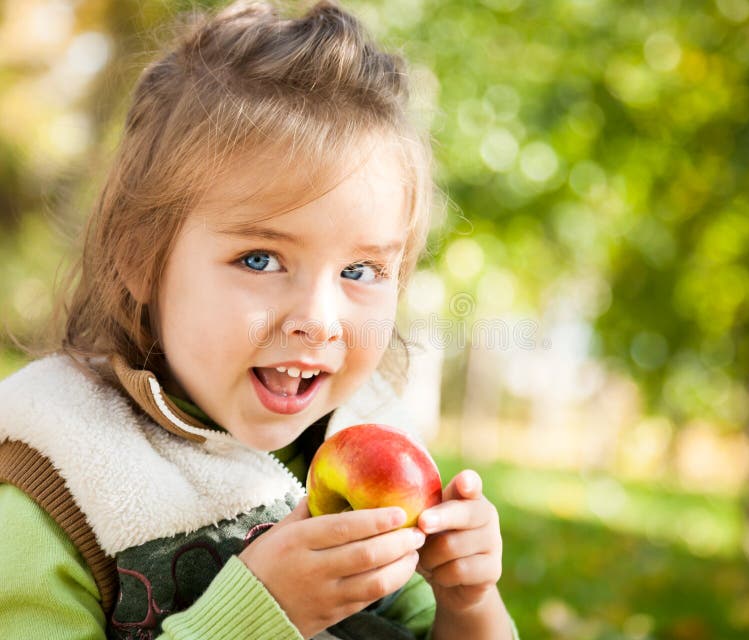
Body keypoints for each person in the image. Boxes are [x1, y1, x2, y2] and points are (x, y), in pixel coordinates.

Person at [0, 1, 518, 638]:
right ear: (142, 257)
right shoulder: (57, 478)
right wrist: (257, 617)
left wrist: (467, 602)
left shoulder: (357, 441)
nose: (319, 321)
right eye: (260, 258)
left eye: (360, 272)